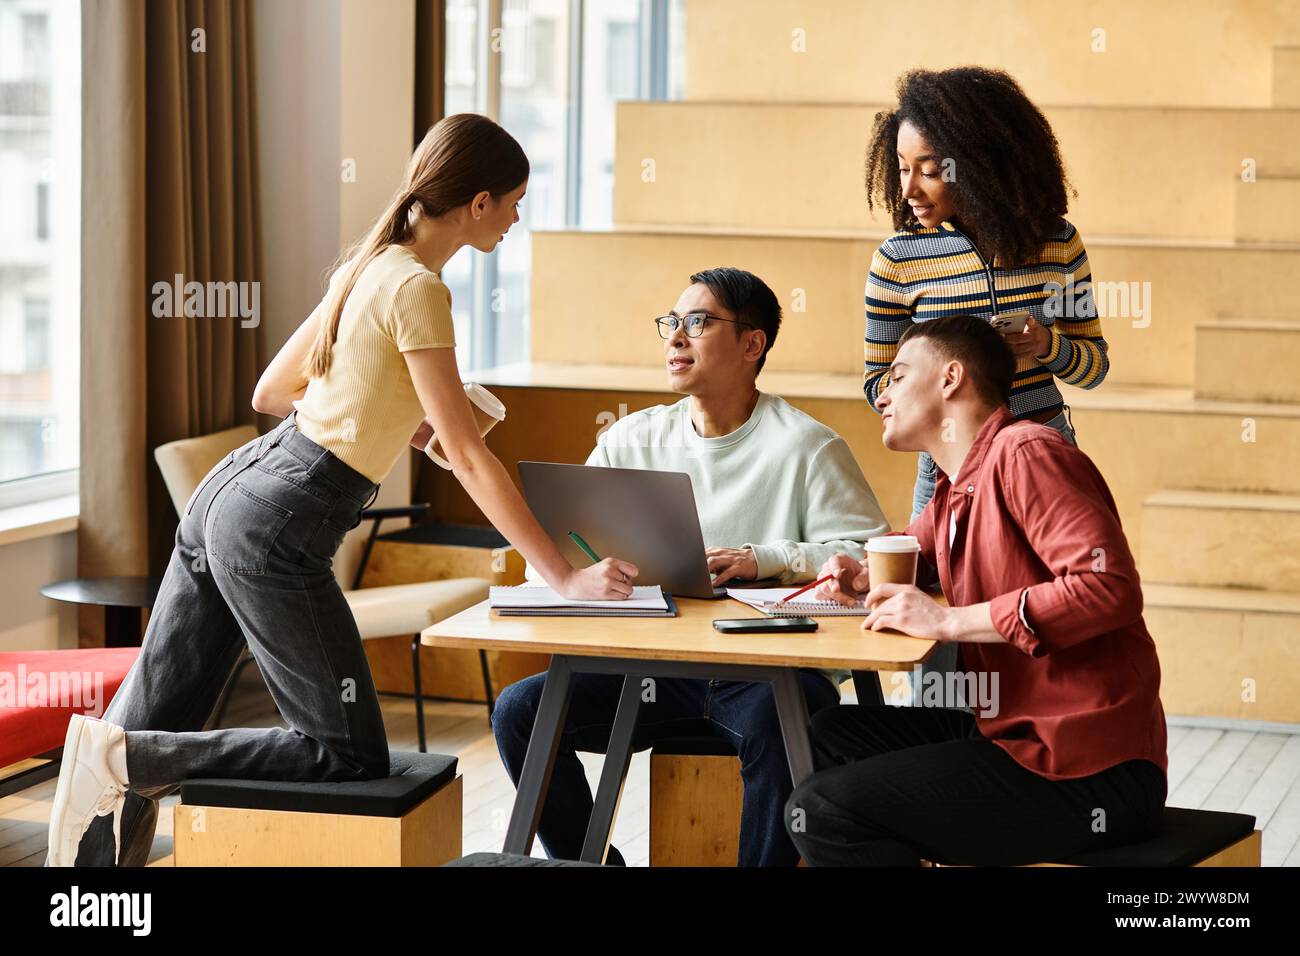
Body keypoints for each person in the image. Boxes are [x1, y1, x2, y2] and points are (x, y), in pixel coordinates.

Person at [48, 113, 638, 867]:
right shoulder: (420, 289)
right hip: (280, 523)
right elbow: (467, 451)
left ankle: (88, 876)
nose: (519, 219)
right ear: (479, 200)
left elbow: (271, 392)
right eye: (516, 202)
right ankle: (127, 762)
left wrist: (402, 422)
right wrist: (564, 575)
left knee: (144, 720)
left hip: (232, 492)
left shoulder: (366, 265)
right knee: (343, 751)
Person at [492, 267, 890, 866]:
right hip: (648, 670)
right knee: (519, 710)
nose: (676, 337)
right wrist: (585, 574)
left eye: (698, 322)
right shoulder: (630, 440)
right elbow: (553, 558)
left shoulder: (809, 446)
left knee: (784, 722)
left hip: (765, 675)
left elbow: (871, 554)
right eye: (670, 323)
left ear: (752, 345)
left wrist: (768, 558)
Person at [792, 315, 1167, 866]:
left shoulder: (1025, 452)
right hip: (1010, 730)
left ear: (950, 378)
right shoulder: (953, 489)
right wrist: (862, 577)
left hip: (1088, 768)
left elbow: (1107, 587)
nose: (881, 394)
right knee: (826, 733)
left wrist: (948, 622)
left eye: (896, 376)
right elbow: (909, 554)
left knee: (825, 809)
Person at [861, 66, 1107, 698]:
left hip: (1041, 458)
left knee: (1052, 605)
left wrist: (1044, 345)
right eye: (901, 166)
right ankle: (940, 759)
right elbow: (875, 383)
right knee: (937, 634)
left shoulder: (1056, 244)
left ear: (981, 161)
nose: (908, 186)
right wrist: (938, 383)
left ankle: (1043, 742)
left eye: (930, 167)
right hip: (946, 472)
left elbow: (1094, 365)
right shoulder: (898, 259)